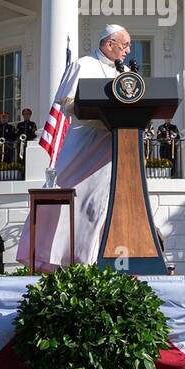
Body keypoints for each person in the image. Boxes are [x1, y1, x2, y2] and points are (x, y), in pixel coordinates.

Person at [16, 24, 132, 271]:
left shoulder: (123, 73)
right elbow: (66, 103)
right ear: (108, 44)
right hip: (84, 141)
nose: (128, 51)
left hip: (110, 145)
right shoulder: (83, 65)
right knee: (66, 198)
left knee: (97, 206)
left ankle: (90, 261)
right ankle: (51, 259)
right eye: (124, 46)